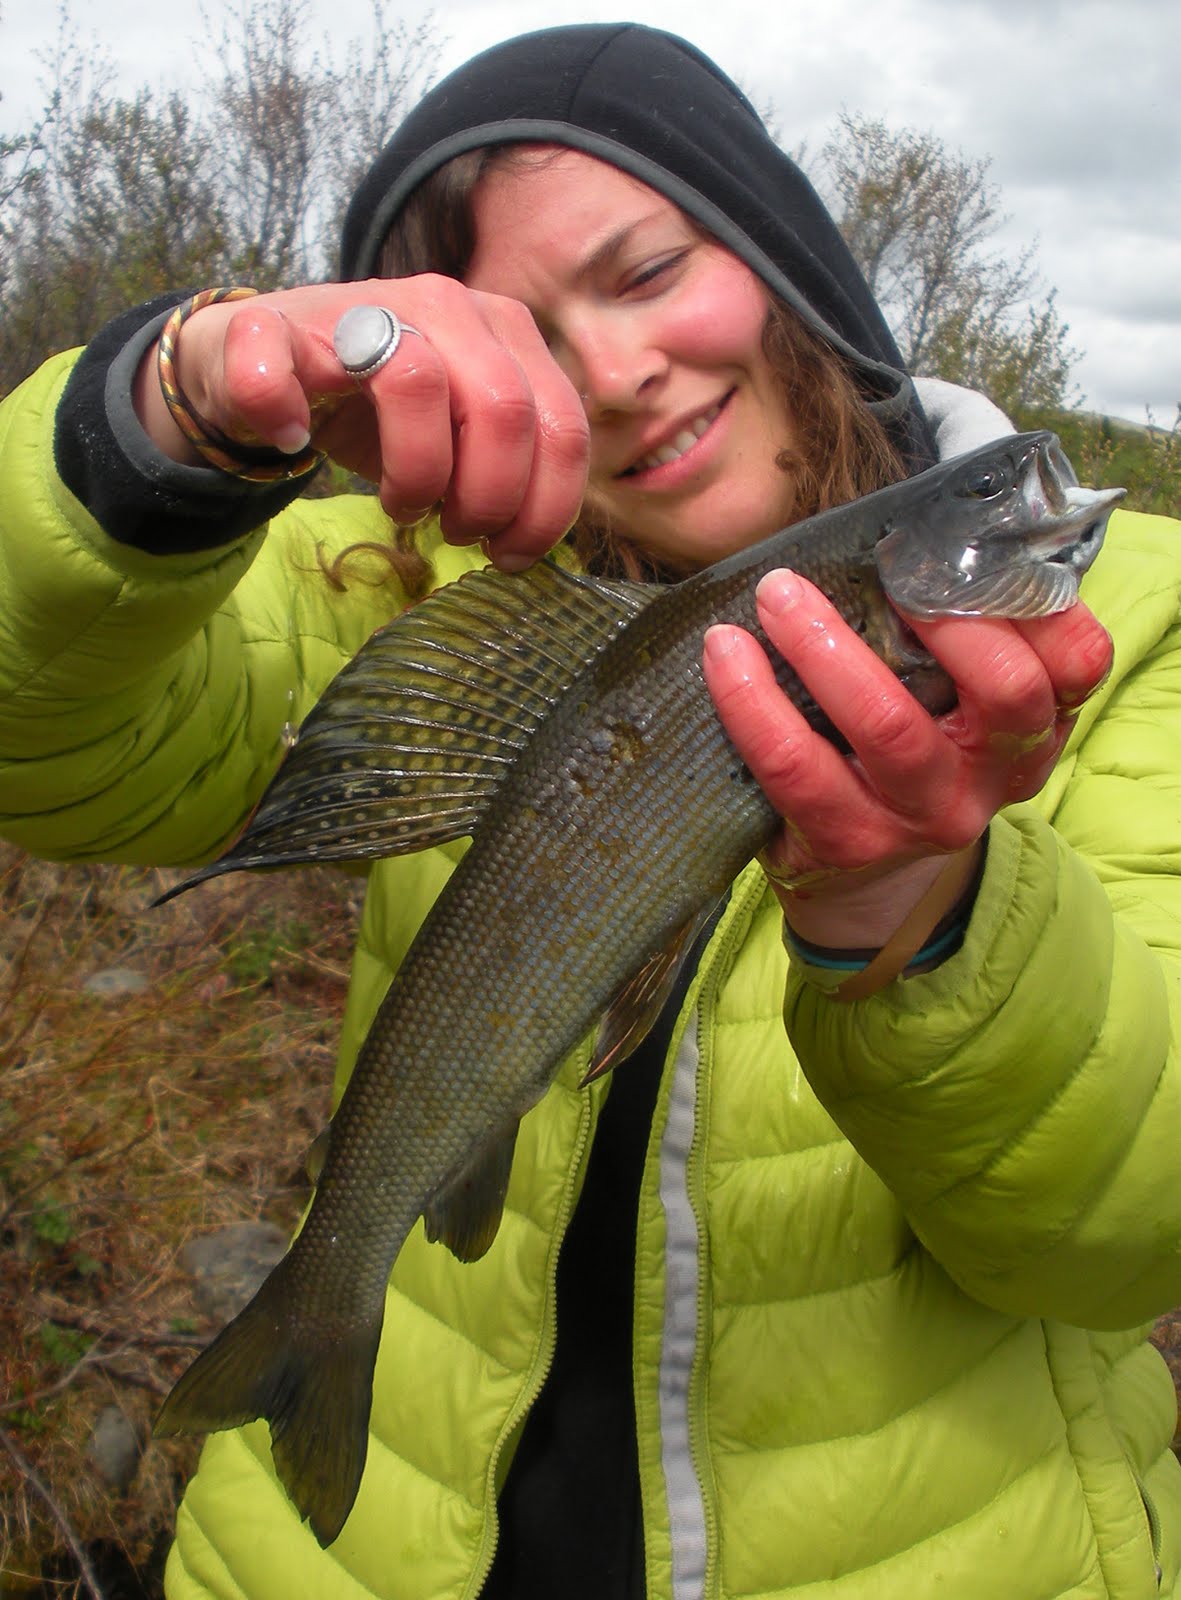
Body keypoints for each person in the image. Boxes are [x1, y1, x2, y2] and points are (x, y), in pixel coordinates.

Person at [1, 19, 1179, 1600]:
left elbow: (1130, 1234)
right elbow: (38, 731)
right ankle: (313, 1326)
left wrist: (928, 918)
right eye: (530, 336)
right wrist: (168, 417)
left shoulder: (1144, 626)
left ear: (782, 257)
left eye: (648, 271)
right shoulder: (399, 588)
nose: (618, 374)